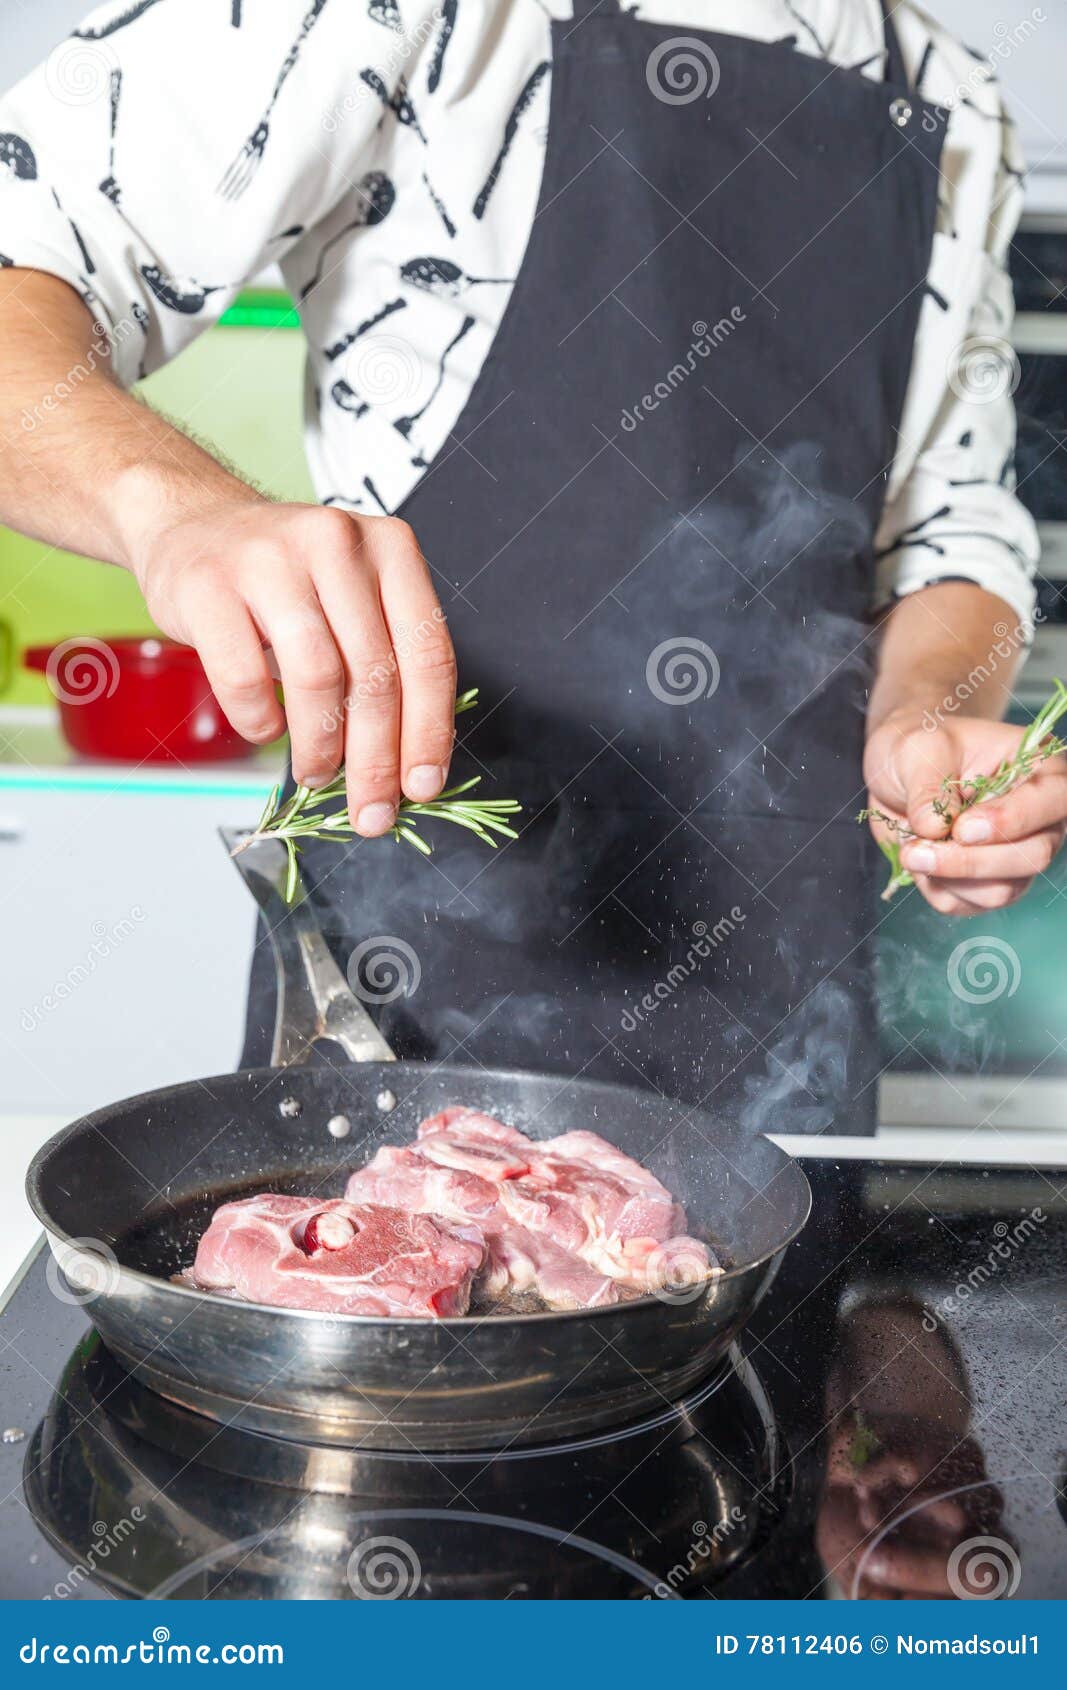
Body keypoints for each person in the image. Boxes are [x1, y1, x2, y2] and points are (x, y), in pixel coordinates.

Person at [1, 0, 1061, 1132]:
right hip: (411, 991)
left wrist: (927, 717)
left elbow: (949, 530)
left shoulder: (949, 91)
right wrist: (179, 511)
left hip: (782, 1010)